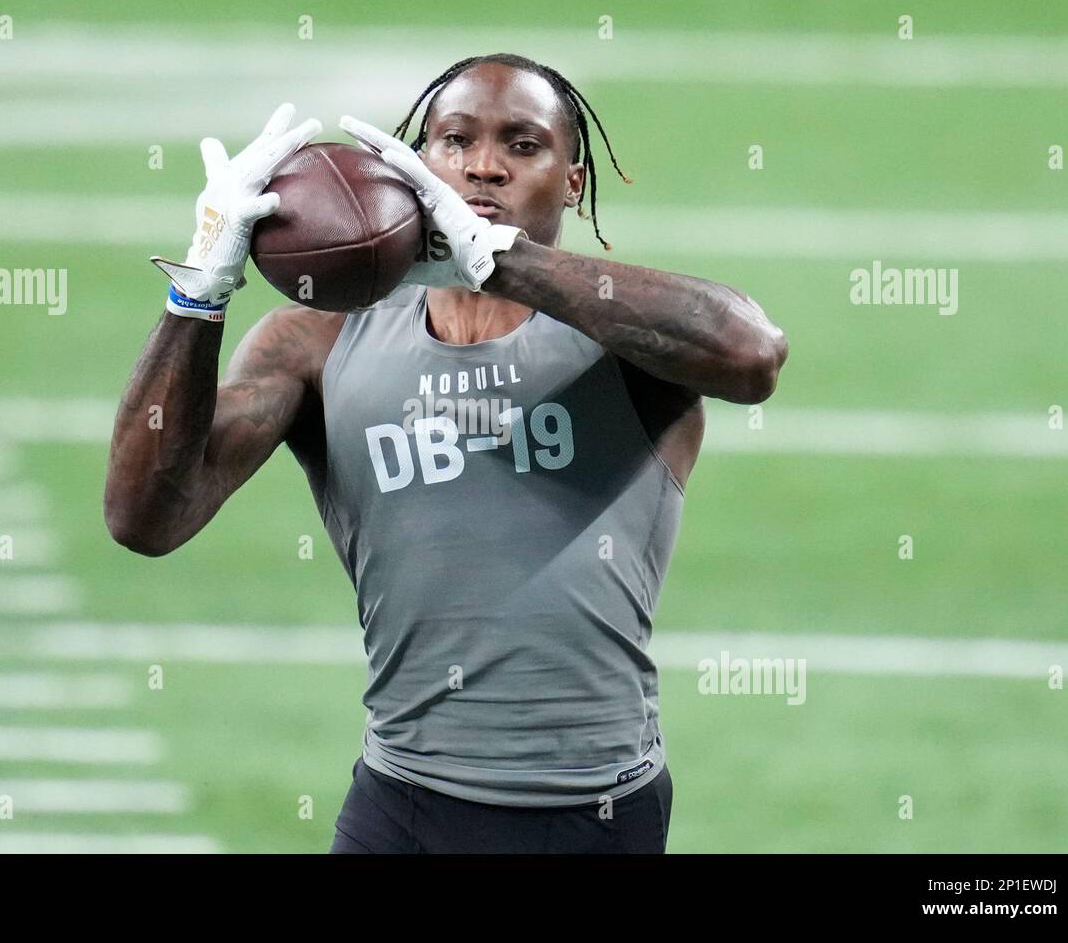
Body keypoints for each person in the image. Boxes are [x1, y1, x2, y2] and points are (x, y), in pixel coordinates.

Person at [103, 53, 788, 853]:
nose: (484, 166)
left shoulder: (626, 337)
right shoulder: (319, 338)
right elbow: (143, 517)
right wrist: (201, 289)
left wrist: (505, 261)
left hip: (594, 814)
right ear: (416, 165)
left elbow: (752, 357)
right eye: (454, 141)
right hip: (402, 808)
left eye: (524, 146)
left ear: (572, 179)